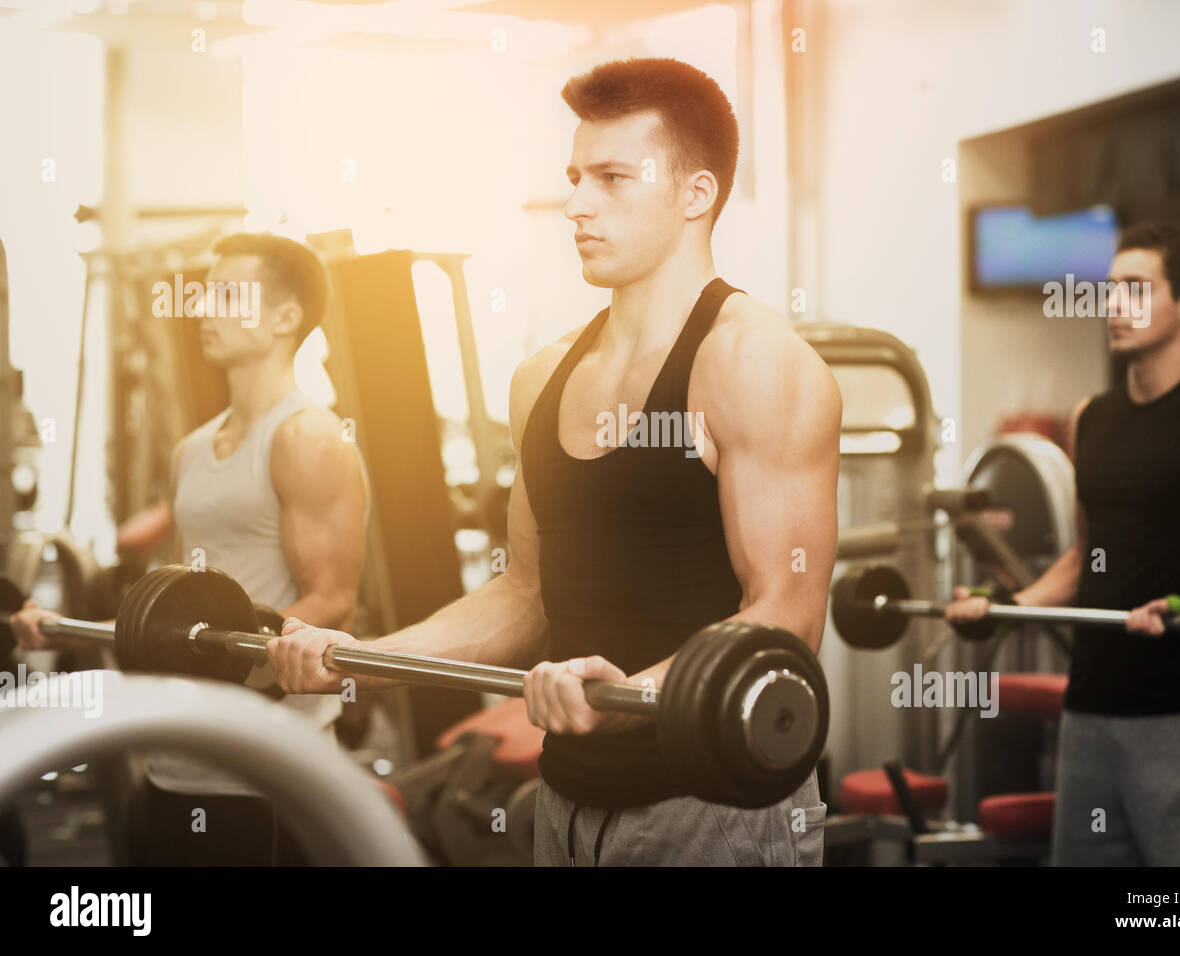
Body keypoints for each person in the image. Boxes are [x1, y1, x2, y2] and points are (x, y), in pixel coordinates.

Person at [267, 58, 842, 866]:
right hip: (569, 801)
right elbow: (525, 592)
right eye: (575, 177)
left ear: (696, 195)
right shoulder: (541, 380)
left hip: (715, 807)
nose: (576, 204)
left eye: (611, 178)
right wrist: (362, 661)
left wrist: (628, 697)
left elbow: (786, 614)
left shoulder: (753, 363)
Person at [10, 232, 369, 864]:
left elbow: (333, 601)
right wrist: (73, 632)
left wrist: (242, 655)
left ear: (286, 317)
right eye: (206, 292)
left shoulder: (308, 437)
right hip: (177, 759)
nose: (204, 308)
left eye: (229, 294)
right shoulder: (192, 450)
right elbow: (173, 612)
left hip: (267, 768)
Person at [947, 222, 1180, 865]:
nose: (1112, 305)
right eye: (1109, 291)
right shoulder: (1092, 420)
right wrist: (1007, 605)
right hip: (1090, 711)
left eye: (1136, 290)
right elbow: (1087, 556)